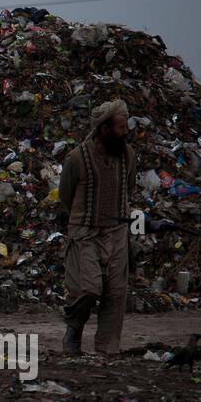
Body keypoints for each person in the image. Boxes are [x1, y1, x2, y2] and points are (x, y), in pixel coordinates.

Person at [57, 100, 136, 355]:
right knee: (88, 288)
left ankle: (107, 348)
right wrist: (83, 218)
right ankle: (73, 330)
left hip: (116, 234)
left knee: (115, 293)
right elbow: (65, 196)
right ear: (104, 129)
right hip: (85, 233)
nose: (125, 132)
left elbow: (129, 188)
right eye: (120, 127)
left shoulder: (128, 157)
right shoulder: (77, 158)